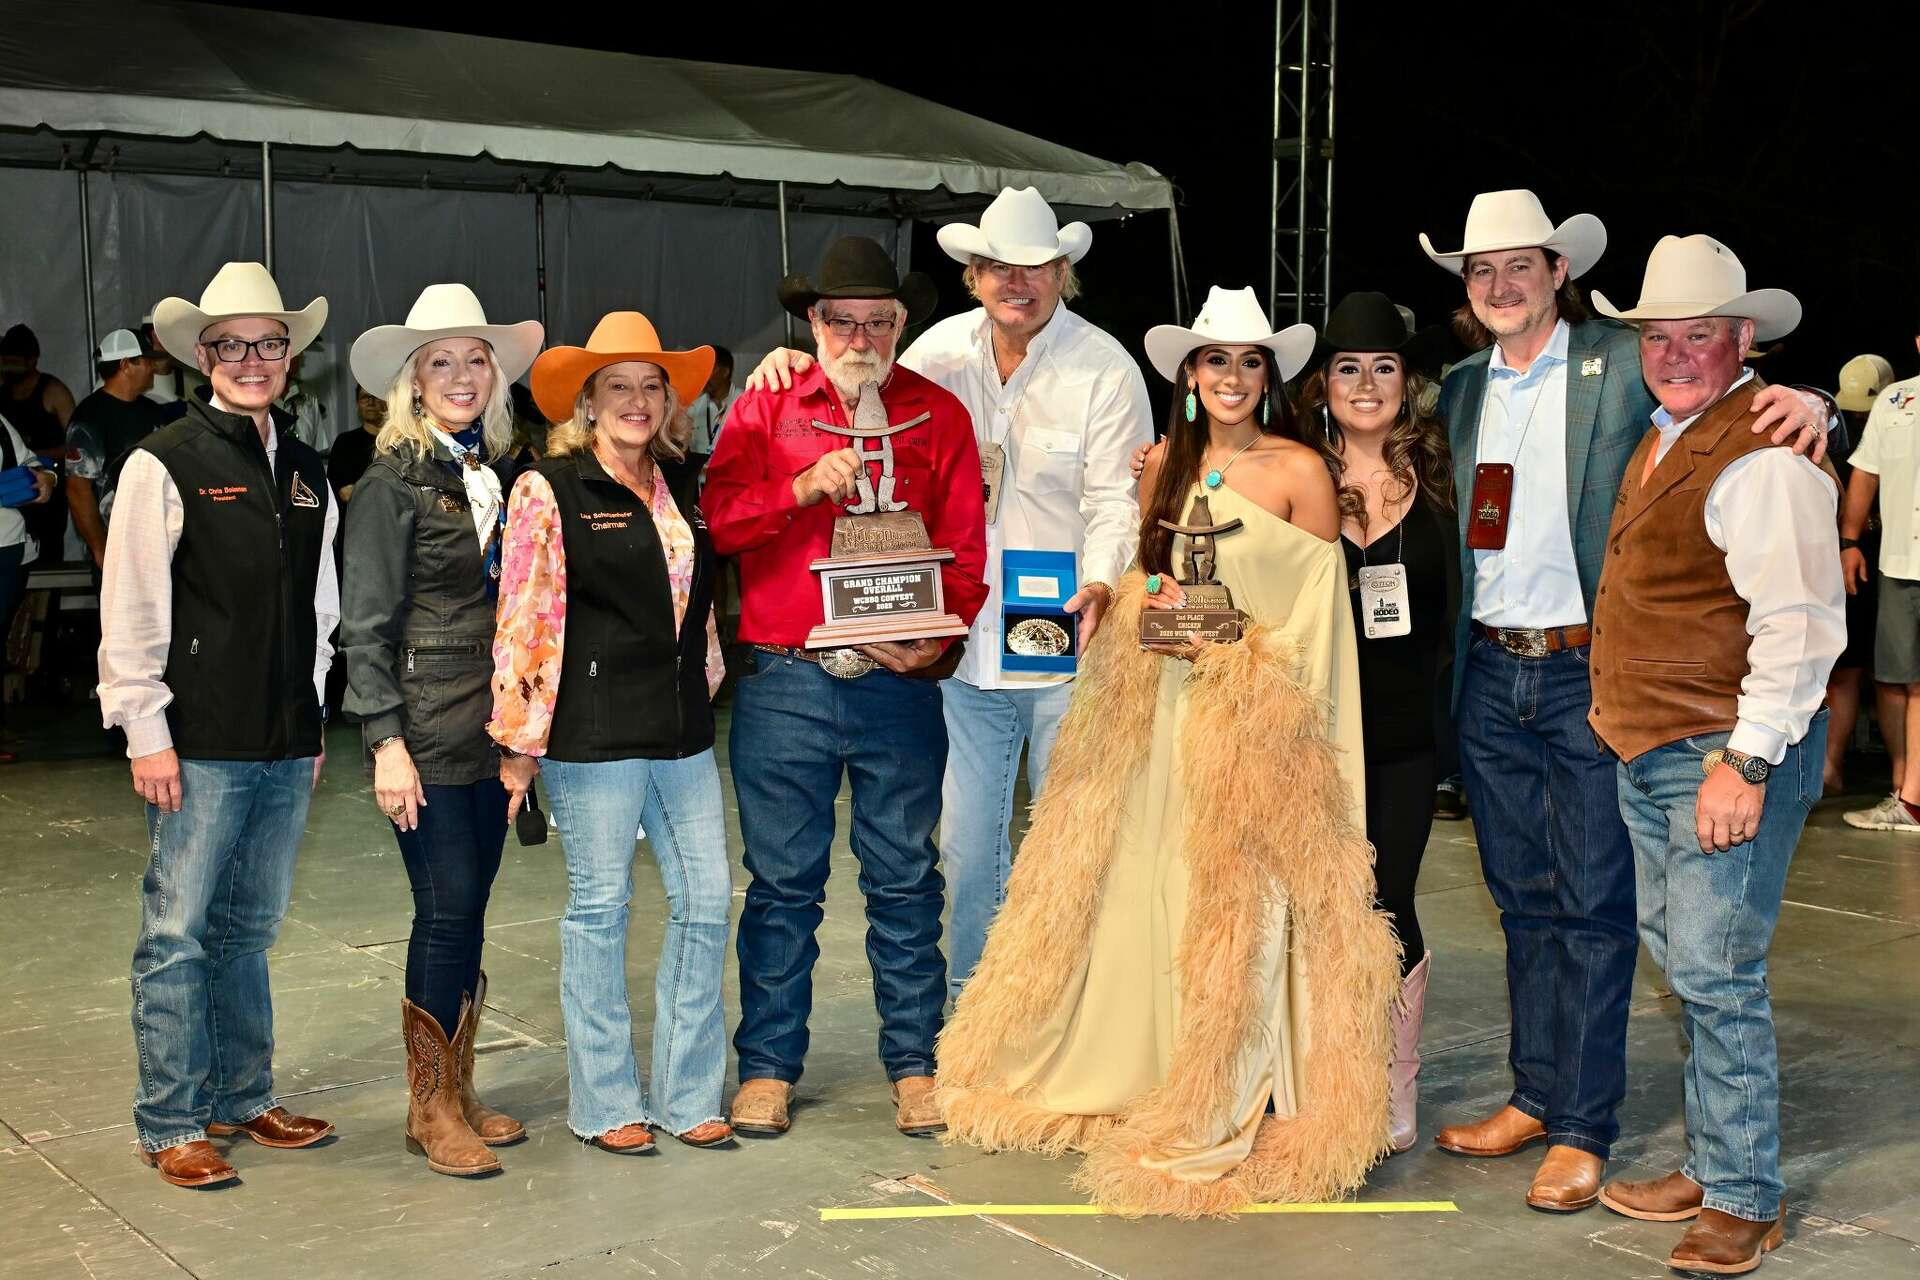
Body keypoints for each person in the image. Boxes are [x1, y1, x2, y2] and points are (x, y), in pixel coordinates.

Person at [938, 287, 1399, 1216]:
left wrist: (1234, 656)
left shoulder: (1303, 474)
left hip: (1257, 733)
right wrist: (1136, 613)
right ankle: (1152, 1064)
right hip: (1164, 722)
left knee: (1246, 911)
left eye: (1249, 362)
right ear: (1189, 375)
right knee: (1162, 896)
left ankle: (1227, 1090)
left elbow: (1319, 629)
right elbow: (1153, 579)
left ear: (1268, 377)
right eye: (1214, 361)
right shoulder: (1163, 469)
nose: (1231, 378)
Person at [1420, 191, 1830, 1211]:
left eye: (1523, 265)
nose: (1502, 285)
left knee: (1601, 908)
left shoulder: (1621, 364)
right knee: (1524, 904)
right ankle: (1535, 1091)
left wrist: (1815, 401)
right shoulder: (1461, 389)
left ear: (1561, 271)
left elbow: (1733, 399)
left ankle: (1583, 1124)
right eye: (1482, 271)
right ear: (1467, 291)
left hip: (1592, 676)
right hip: (1489, 672)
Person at [743, 186, 1154, 1004]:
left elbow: (1116, 498)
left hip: (1071, 637)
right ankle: (976, 1014)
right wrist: (785, 363)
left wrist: (1106, 578)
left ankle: (1069, 1018)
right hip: (956, 643)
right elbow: (847, 392)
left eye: (1036, 267)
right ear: (973, 275)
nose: (1018, 282)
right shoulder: (933, 352)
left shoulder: (1104, 367)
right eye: (998, 266)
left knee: (1077, 841)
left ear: (1063, 273)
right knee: (967, 847)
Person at [1585, 235, 1842, 1276]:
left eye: (1702, 332)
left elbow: (1802, 624)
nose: (1678, 350)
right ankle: (1712, 1156)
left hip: (1719, 749)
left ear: (1745, 340)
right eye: (1661, 334)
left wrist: (1746, 760)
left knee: (1714, 968)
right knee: (1686, 963)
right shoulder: (1663, 434)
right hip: (1650, 745)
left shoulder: (1769, 454)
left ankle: (1742, 1194)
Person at [704, 236, 987, 1139]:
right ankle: (768, 1069)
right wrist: (798, 488)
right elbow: (719, 524)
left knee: (905, 879)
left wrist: (935, 646)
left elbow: (968, 552)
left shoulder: (938, 415)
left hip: (898, 685)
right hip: (787, 678)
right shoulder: (765, 405)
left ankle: (916, 1063)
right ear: (813, 323)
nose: (858, 333)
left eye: (877, 319)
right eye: (840, 318)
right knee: (784, 884)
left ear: (902, 324)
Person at [101, 261, 338, 1188]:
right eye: (231, 344)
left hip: (284, 739)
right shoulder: (165, 460)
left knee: (247, 931)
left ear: (290, 357)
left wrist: (314, 720)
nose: (251, 358)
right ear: (202, 357)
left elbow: (320, 612)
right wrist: (145, 729)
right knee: (178, 934)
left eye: (267, 343)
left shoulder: (311, 470)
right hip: (198, 739)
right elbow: (133, 609)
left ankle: (242, 1098)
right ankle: (170, 1121)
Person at [491, 311, 734, 1153]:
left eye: (650, 386)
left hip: (682, 731)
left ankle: (688, 1092)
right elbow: (527, 616)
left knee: (707, 903)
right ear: (587, 402)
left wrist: (705, 679)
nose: (636, 400)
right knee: (600, 909)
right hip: (590, 734)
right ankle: (605, 1104)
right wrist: (520, 742)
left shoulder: (683, 487)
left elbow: (696, 609)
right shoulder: (547, 489)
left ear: (669, 402)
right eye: (618, 386)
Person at [342, 284, 544, 1177]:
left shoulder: (497, 471)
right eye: (440, 362)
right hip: (423, 727)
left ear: (495, 376)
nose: (460, 375)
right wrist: (386, 741)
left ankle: (456, 1089)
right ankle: (430, 1109)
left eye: (474, 359)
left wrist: (523, 728)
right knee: (446, 909)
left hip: (492, 722)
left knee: (470, 913)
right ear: (412, 383)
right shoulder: (391, 485)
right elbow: (364, 624)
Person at [1840, 337, 1920, 831]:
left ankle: (1911, 797)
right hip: (1899, 563)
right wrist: (1849, 540)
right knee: (1898, 679)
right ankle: (1906, 790)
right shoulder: (1895, 400)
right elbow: (1865, 473)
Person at [1825, 354, 1893, 795]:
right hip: (1846, 555)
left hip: (1887, 556)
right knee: (1846, 670)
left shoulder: (1898, 422)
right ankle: (1830, 768)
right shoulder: (1832, 428)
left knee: (1886, 676)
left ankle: (1903, 778)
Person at [65, 328, 182, 568]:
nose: (152, 368)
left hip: (160, 542)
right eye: (147, 361)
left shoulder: (152, 410)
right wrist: (100, 547)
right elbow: (78, 489)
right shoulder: (90, 418)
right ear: (126, 364)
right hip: (118, 548)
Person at [0, 323, 75, 565]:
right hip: (11, 493)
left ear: (32, 360)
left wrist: (35, 456)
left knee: (48, 561)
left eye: (14, 361)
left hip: (46, 491)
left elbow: (77, 445)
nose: (8, 366)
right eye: (5, 360)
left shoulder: (53, 391)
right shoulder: (3, 392)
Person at [328, 387, 384, 502]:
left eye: (375, 396)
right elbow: (345, 493)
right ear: (358, 403)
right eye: (365, 397)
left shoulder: (399, 443)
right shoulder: (345, 442)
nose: (370, 402)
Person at [685, 344, 735, 471]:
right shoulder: (692, 408)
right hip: (702, 484)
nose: (703, 376)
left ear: (725, 371)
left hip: (737, 481)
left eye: (709, 369)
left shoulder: (747, 404)